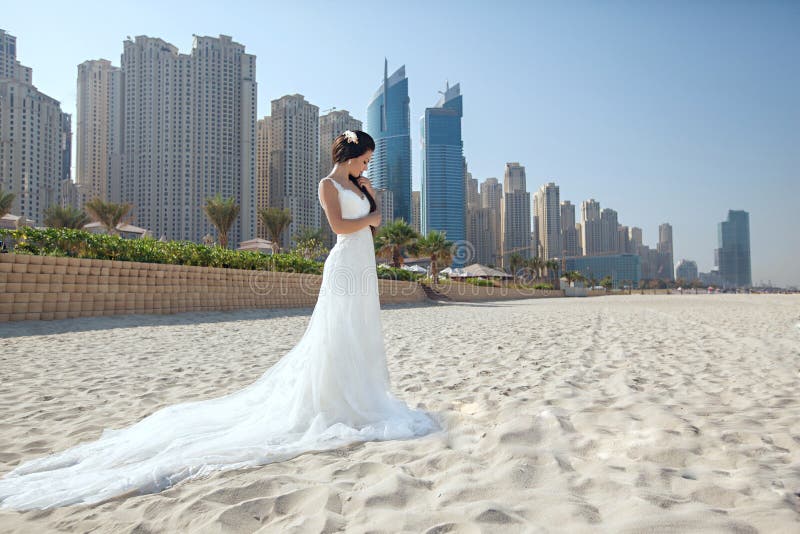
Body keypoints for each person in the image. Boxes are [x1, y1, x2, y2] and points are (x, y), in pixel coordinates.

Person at [0, 129, 442, 510]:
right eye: (364, 157)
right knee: (336, 331)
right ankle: (336, 398)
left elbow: (374, 225)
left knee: (360, 331)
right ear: (347, 155)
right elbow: (345, 229)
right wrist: (373, 212)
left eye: (369, 160)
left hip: (363, 265)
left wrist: (370, 197)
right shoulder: (329, 185)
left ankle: (358, 391)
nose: (367, 164)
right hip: (346, 262)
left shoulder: (361, 186)